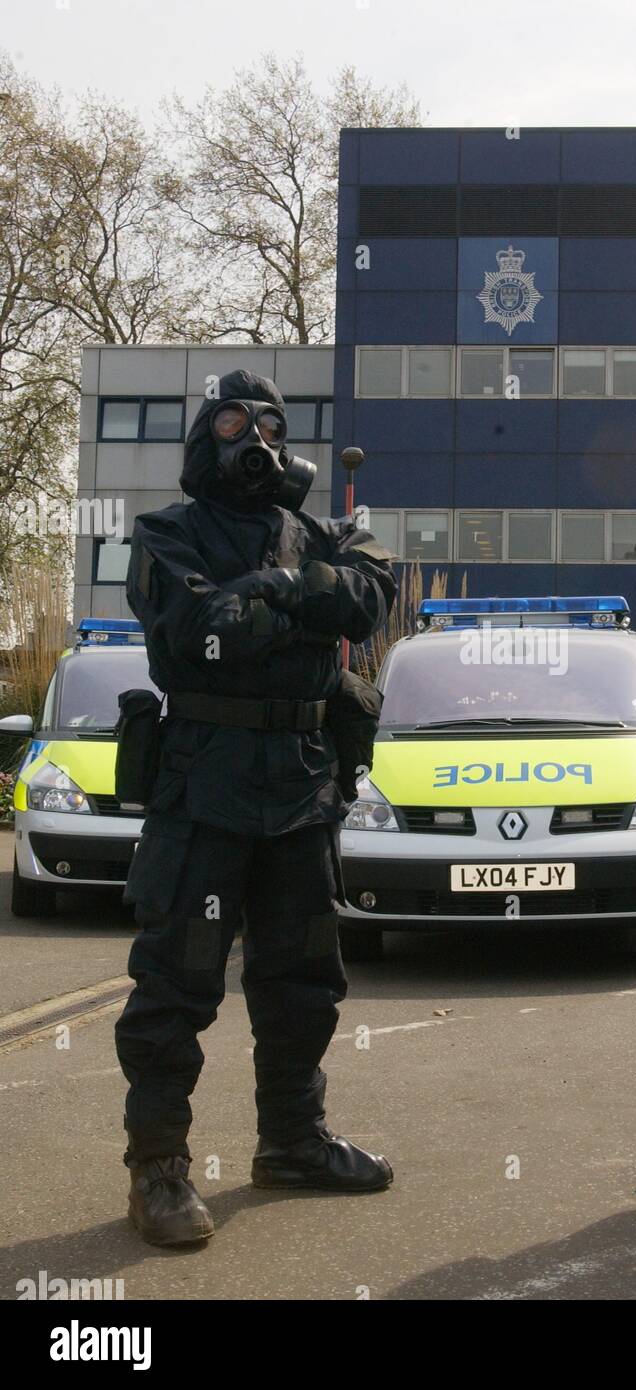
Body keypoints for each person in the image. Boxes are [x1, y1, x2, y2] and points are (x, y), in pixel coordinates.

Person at [114, 370, 397, 1246]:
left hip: (302, 786)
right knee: (176, 986)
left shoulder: (312, 531)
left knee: (303, 980)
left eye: (270, 423)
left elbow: (368, 598)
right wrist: (296, 599)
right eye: (235, 418)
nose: (257, 438)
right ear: (207, 433)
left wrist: (268, 593)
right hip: (205, 787)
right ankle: (158, 1168)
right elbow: (199, 637)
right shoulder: (167, 535)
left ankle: (293, 1142)